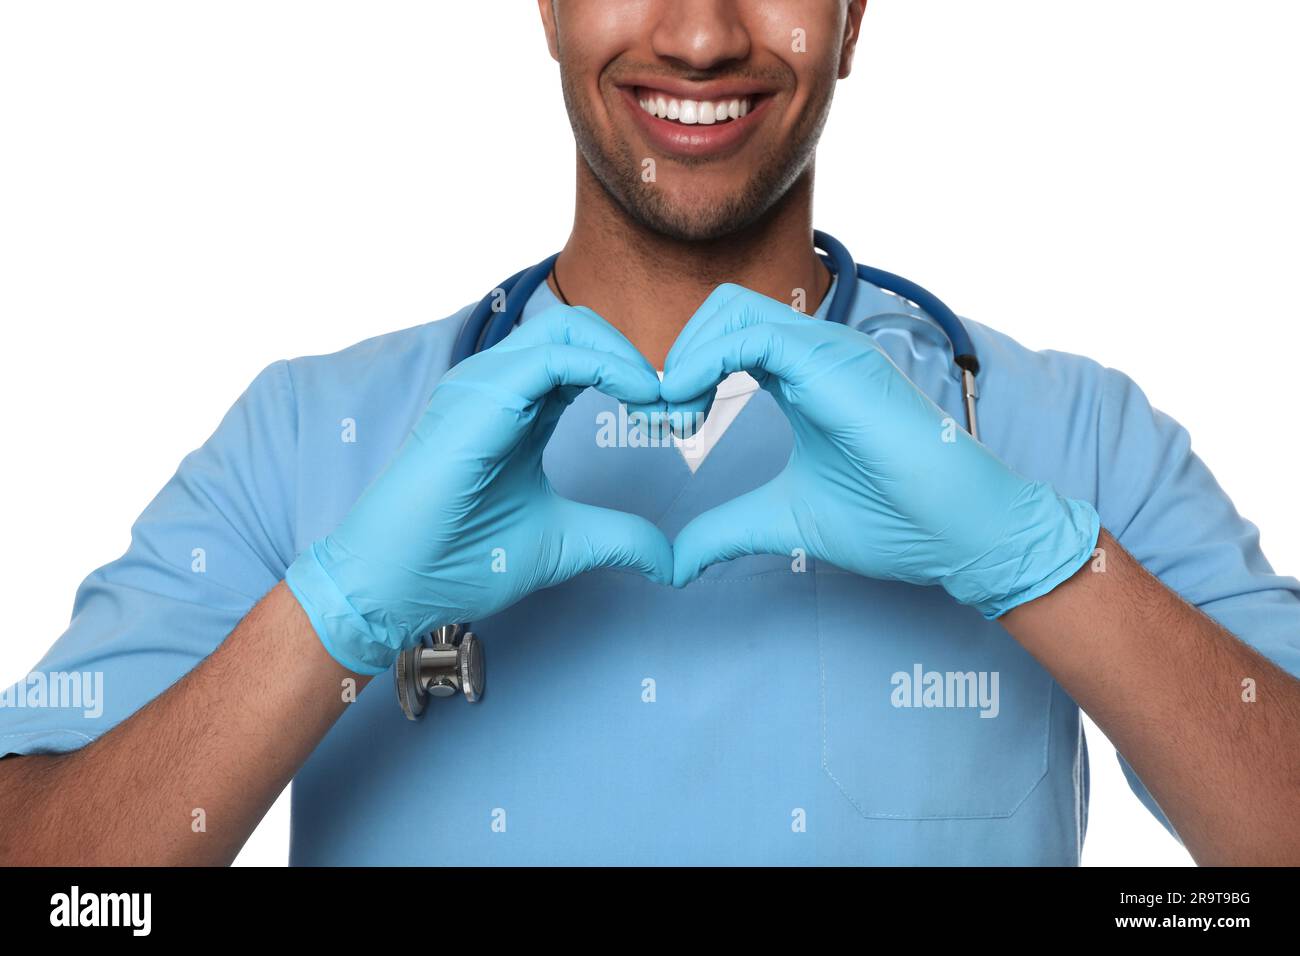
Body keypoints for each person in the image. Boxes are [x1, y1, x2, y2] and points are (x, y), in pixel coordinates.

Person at [2, 0, 1298, 866]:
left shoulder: (1063, 435)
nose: (698, 35)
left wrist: (1045, 570)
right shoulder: (307, 437)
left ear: (854, 20)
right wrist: (326, 619)